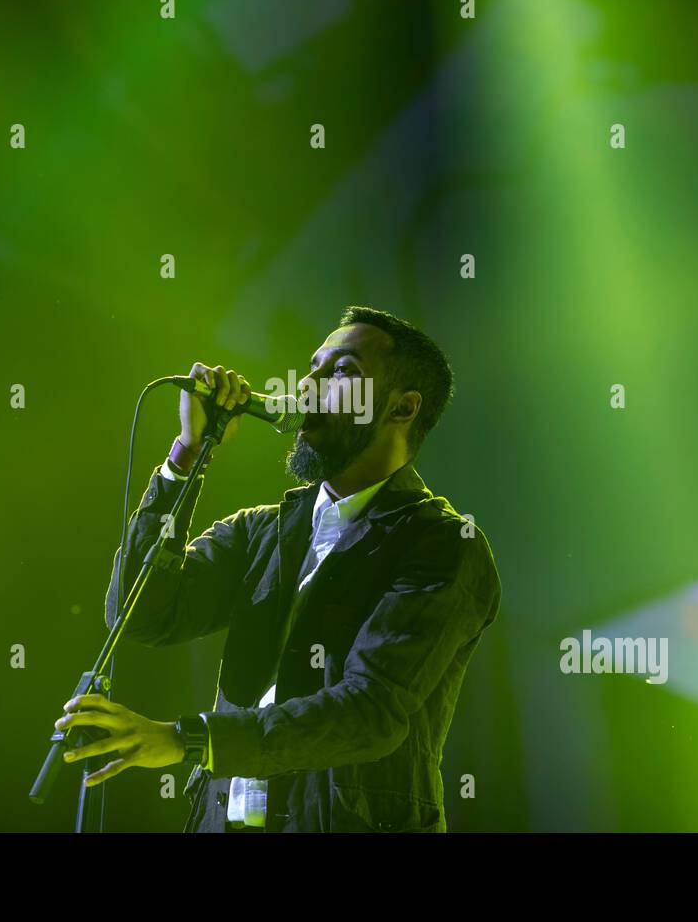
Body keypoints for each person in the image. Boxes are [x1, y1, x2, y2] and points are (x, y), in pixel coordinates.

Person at [54, 306, 502, 831]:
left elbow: (369, 712)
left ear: (402, 408)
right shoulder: (261, 531)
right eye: (312, 367)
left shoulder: (443, 544)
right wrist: (185, 457)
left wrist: (188, 740)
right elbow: (143, 612)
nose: (308, 385)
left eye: (341, 372)